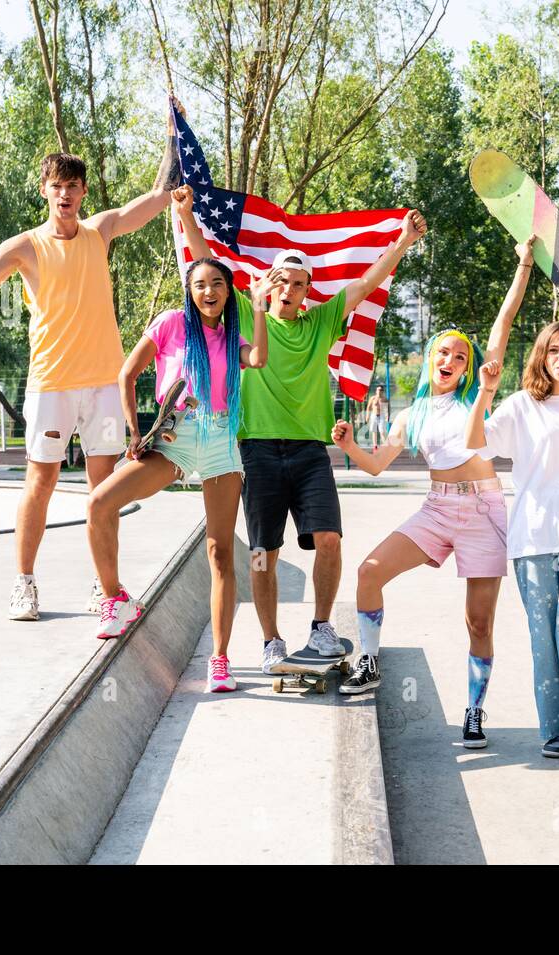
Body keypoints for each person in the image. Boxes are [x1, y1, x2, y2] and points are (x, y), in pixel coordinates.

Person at [0, 108, 184, 621]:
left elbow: (161, 196)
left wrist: (171, 134)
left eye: (73, 186)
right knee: (41, 483)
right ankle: (25, 584)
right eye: (57, 186)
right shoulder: (26, 247)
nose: (66, 194)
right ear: (45, 191)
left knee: (105, 490)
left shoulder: (102, 231)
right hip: (52, 384)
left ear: (83, 193)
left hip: (101, 384)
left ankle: (106, 588)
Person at [175, 196, 426, 673]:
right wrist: (187, 214)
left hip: (311, 451)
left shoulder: (320, 322)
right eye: (282, 282)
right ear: (271, 284)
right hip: (257, 449)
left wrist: (403, 242)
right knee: (264, 552)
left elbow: (366, 283)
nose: (288, 290)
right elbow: (204, 261)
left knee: (329, 538)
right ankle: (271, 641)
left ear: (307, 290)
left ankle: (322, 627)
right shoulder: (248, 320)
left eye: (297, 284)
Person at [330, 237, 535, 750]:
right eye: (443, 352)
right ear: (430, 359)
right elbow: (377, 466)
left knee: (478, 621)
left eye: (460, 356)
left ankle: (474, 711)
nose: (451, 359)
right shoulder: (410, 413)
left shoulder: (476, 399)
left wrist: (524, 265)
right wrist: (353, 445)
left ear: (468, 368)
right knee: (369, 572)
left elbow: (503, 325)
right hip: (436, 509)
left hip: (484, 511)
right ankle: (370, 662)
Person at [84, 189, 278, 694]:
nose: (208, 290)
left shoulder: (232, 335)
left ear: (226, 292)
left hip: (219, 443)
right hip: (173, 438)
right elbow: (127, 374)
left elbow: (257, 359)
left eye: (217, 284)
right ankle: (115, 599)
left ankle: (219, 660)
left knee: (219, 554)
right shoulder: (171, 324)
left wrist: (257, 306)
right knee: (100, 502)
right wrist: (134, 431)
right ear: (189, 290)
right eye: (200, 283)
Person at [466, 321, 559, 764]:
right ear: (541, 357)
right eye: (553, 351)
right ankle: (555, 730)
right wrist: (485, 392)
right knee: (543, 642)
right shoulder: (520, 405)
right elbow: (475, 444)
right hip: (532, 540)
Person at [365, 385, 389, 450]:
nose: (379, 391)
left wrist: (388, 416)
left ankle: (385, 445)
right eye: (378, 390)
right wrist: (367, 416)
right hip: (374, 415)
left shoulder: (385, 399)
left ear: (383, 391)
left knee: (382, 431)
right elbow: (368, 408)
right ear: (376, 391)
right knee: (374, 431)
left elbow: (388, 408)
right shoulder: (373, 398)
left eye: (381, 390)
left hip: (381, 415)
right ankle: (375, 445)